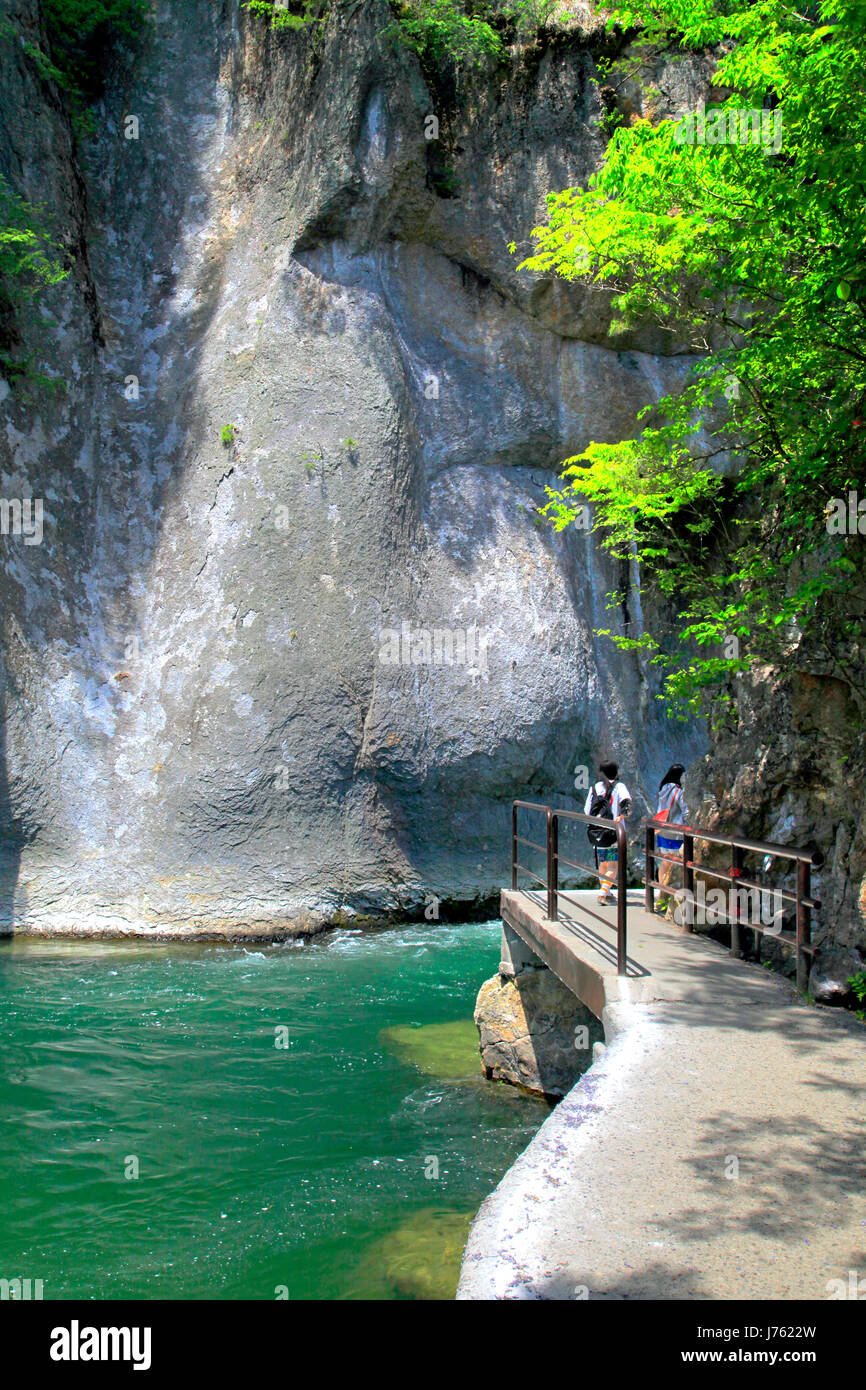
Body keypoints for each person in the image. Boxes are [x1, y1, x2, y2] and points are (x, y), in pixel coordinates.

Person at [584, 760, 631, 905]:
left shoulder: (595, 786)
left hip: (597, 832)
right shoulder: (619, 786)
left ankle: (607, 891)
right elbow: (626, 802)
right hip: (613, 834)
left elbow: (587, 810)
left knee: (602, 863)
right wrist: (622, 816)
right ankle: (603, 893)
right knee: (613, 865)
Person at [654, 764, 688, 915]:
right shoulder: (679, 792)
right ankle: (666, 897)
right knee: (674, 865)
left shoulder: (662, 789)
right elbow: (685, 811)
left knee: (665, 862)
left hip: (662, 831)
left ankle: (661, 893)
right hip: (675, 833)